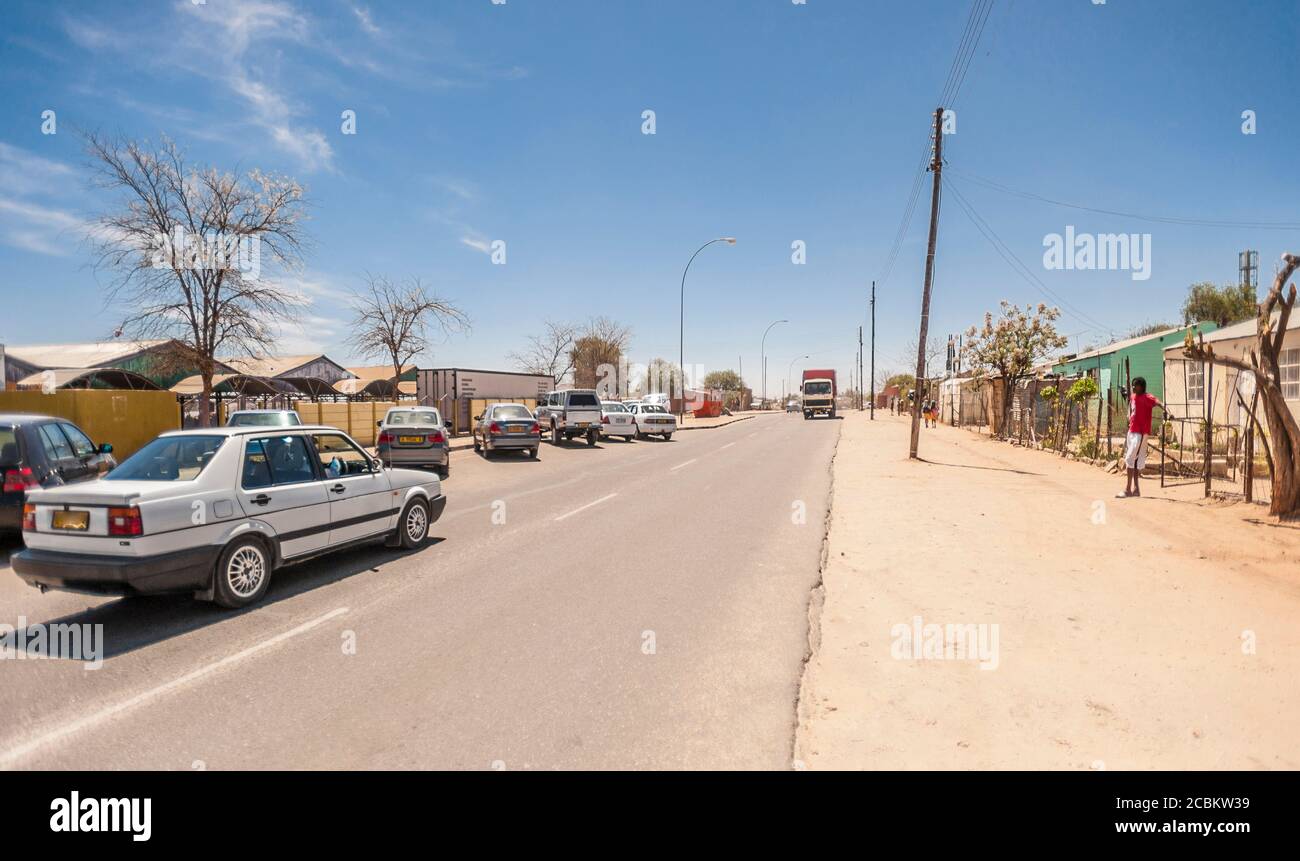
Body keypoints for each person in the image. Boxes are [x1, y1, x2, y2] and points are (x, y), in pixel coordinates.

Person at [1118, 377, 1172, 499]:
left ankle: (1128, 490)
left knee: (1130, 459)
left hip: (1140, 433)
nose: (1133, 387)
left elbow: (1160, 403)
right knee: (1134, 461)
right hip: (1132, 431)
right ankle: (1135, 490)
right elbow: (1132, 405)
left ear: (1142, 386)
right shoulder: (1132, 396)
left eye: (1135, 385)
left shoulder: (1148, 397)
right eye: (1132, 385)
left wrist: (1169, 413)